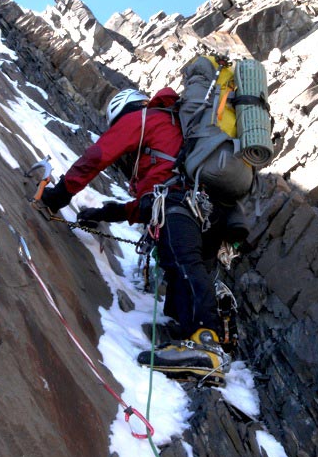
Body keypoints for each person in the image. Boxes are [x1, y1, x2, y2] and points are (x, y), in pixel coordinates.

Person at [40, 87, 238, 384]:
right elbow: (150, 202)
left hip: (179, 206)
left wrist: (61, 194)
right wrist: (108, 213)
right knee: (186, 272)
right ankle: (196, 345)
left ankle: (204, 343)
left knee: (182, 264)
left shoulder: (142, 119)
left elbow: (98, 155)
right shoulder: (177, 131)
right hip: (211, 212)